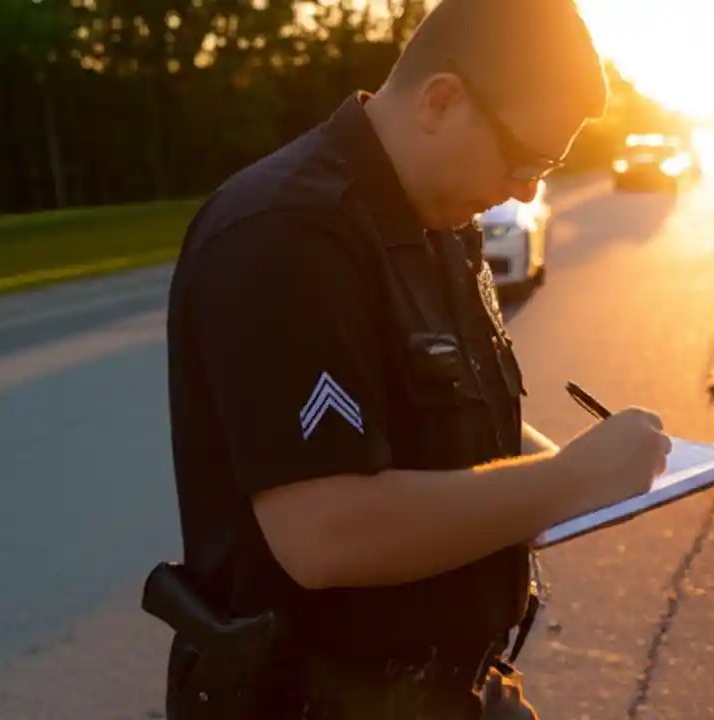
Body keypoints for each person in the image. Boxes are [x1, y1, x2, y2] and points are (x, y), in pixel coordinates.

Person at [161, 0, 671, 717]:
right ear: (441, 100)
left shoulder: (439, 221)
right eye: (526, 159)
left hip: (451, 689)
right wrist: (567, 480)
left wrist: (580, 466)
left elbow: (445, 421)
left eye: (547, 168)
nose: (528, 190)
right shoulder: (287, 234)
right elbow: (326, 532)